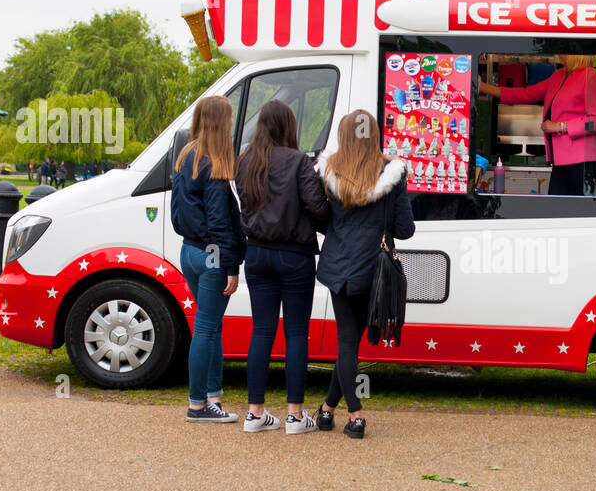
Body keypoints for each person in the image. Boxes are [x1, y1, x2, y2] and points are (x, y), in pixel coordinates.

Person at [315, 110, 414, 438]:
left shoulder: (329, 171)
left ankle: (328, 410)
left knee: (347, 340)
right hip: (373, 267)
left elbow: (319, 219)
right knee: (349, 342)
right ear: (374, 136)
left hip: (338, 265)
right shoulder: (392, 173)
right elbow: (405, 229)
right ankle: (355, 415)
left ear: (343, 137)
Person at [236, 100, 330, 435]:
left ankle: (254, 413)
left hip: (257, 254)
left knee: (261, 331)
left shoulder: (245, 161)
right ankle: (294, 415)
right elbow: (318, 208)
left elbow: (244, 208)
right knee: (295, 333)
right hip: (294, 255)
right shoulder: (299, 162)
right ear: (288, 127)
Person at [171, 95, 246, 423]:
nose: (231, 125)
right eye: (228, 119)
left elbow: (179, 213)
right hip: (211, 255)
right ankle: (197, 404)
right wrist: (230, 264)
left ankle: (212, 397)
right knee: (205, 327)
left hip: (189, 250)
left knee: (210, 326)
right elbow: (219, 222)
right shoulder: (214, 164)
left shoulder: (186, 156)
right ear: (220, 123)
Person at [478, 54, 596, 195]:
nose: (559, 54)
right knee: (557, 211)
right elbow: (526, 94)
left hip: (584, 160)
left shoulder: (592, 76)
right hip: (561, 160)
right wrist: (482, 87)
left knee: (574, 212)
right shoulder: (558, 75)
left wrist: (561, 126)